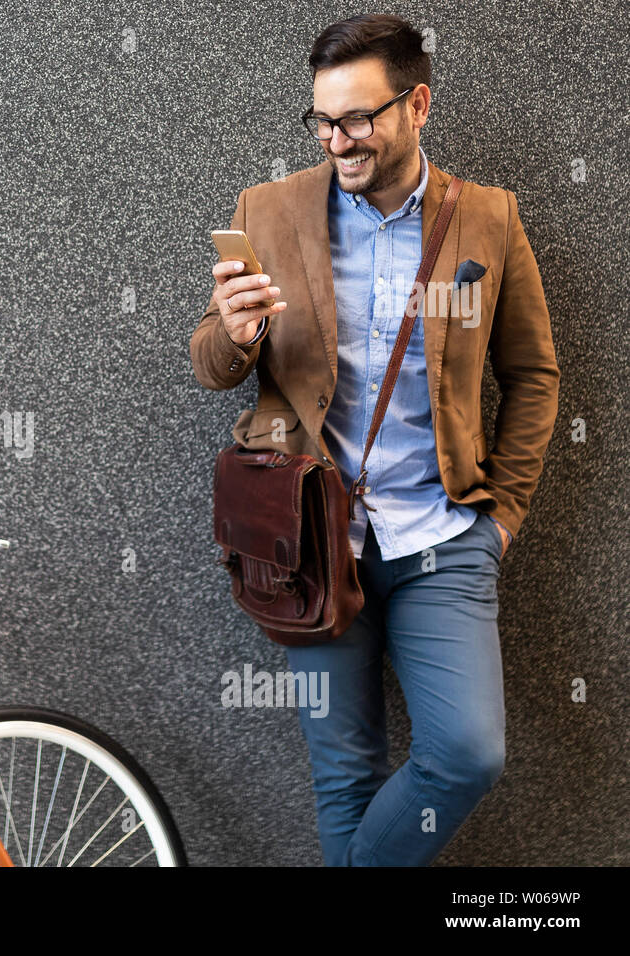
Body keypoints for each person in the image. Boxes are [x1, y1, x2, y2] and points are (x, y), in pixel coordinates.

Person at [189, 13, 560, 865]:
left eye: (358, 118)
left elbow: (534, 376)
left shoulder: (489, 222)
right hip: (311, 540)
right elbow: (211, 364)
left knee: (468, 753)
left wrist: (501, 516)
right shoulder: (269, 210)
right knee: (344, 777)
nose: (338, 140)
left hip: (443, 535)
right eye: (323, 121)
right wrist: (237, 334)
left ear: (417, 104)